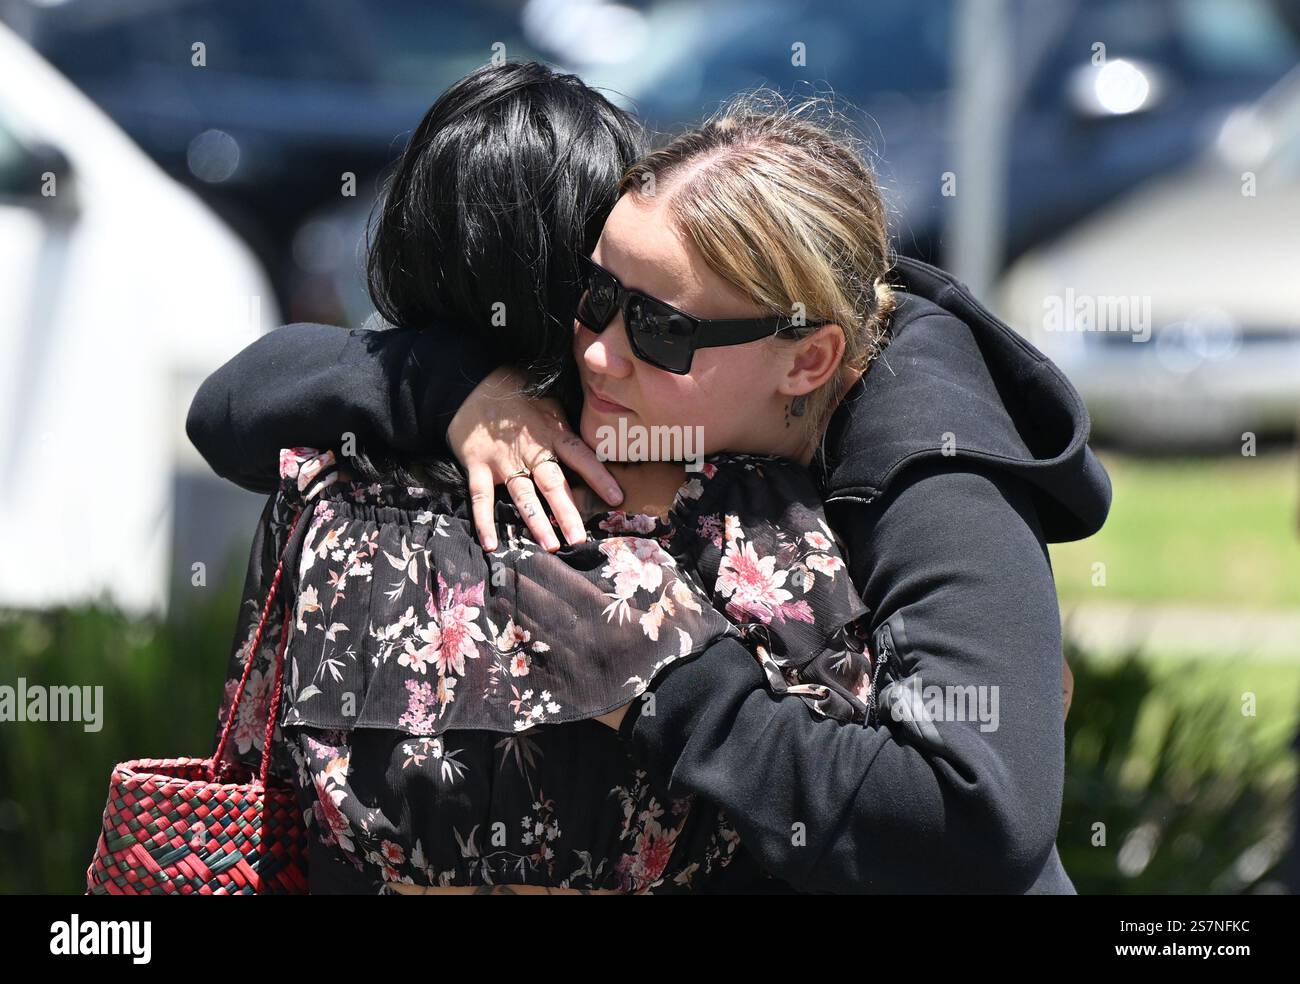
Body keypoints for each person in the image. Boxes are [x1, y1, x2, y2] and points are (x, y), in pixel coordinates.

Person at [194, 69, 1109, 894]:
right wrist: (453, 388)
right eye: (590, 298)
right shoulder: (600, 430)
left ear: (809, 360)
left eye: (660, 330)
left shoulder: (933, 469)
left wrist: (669, 681)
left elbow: (981, 824)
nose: (596, 350)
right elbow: (233, 404)